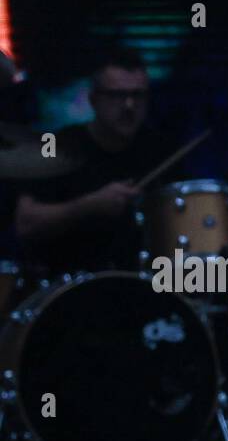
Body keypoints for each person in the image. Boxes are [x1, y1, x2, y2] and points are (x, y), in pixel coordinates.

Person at [13, 46, 168, 274]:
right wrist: (89, 206)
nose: (129, 106)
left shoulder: (159, 149)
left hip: (145, 287)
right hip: (69, 288)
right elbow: (25, 223)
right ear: (94, 99)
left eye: (137, 95)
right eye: (117, 95)